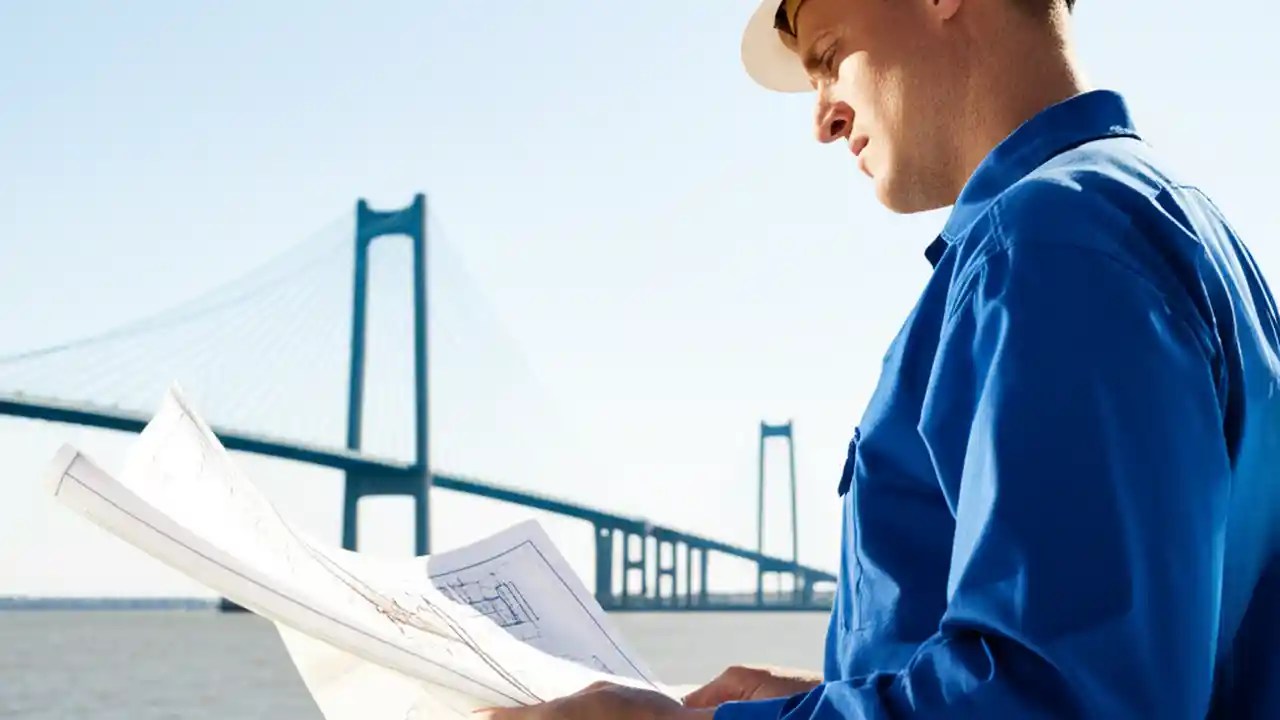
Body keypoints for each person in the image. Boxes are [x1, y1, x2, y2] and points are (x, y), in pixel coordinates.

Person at [480, 0, 1280, 717]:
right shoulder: (1162, 226)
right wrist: (835, 700)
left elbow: (1061, 699)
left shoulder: (1047, 245)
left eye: (829, 56)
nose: (823, 118)